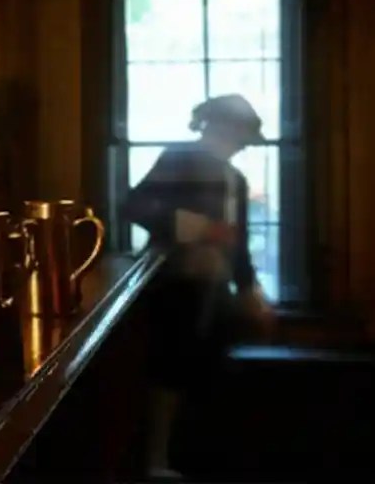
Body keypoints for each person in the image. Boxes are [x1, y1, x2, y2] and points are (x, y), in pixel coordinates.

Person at [124, 93, 276, 481]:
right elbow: (135, 207)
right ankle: (156, 462)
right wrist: (202, 228)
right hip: (172, 287)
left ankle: (195, 462)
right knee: (167, 377)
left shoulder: (236, 180)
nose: (242, 145)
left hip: (215, 293)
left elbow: (238, 246)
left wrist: (249, 291)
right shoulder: (177, 159)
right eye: (240, 134)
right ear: (221, 127)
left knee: (207, 380)